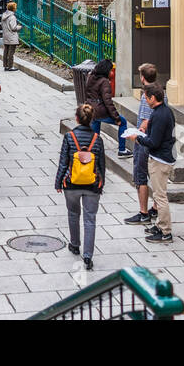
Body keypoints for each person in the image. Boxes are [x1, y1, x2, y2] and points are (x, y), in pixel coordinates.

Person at [56, 103, 108, 270]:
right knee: (90, 219)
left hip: (71, 183)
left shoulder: (70, 137)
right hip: (92, 184)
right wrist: (101, 184)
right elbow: (101, 164)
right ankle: (88, 256)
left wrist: (58, 181)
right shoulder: (97, 139)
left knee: (73, 213)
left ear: (77, 118)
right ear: (91, 119)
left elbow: (64, 161)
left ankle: (75, 243)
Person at [125, 63, 164, 227]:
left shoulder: (147, 96)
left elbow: (146, 121)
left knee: (140, 175)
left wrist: (137, 132)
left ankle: (143, 213)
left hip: (144, 141)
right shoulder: (162, 93)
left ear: (142, 77)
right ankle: (154, 208)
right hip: (157, 141)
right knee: (154, 176)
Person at [141, 81, 176, 245]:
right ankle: (159, 225)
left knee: (160, 196)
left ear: (153, 98)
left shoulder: (158, 115)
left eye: (146, 98)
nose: (145, 101)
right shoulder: (166, 111)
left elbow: (154, 142)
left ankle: (165, 231)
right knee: (158, 194)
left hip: (160, 160)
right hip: (162, 158)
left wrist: (138, 138)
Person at [87, 59, 131, 157]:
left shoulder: (90, 76)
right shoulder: (104, 81)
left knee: (95, 128)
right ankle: (122, 150)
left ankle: (93, 151)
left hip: (91, 109)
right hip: (100, 110)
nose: (111, 72)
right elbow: (108, 102)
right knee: (123, 122)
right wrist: (116, 118)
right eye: (110, 70)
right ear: (106, 70)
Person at [1, 1, 21, 71]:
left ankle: (5, 66)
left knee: (6, 51)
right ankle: (10, 66)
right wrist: (19, 27)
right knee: (11, 52)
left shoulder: (4, 15)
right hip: (12, 36)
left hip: (6, 35)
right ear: (13, 8)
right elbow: (13, 28)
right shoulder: (12, 17)